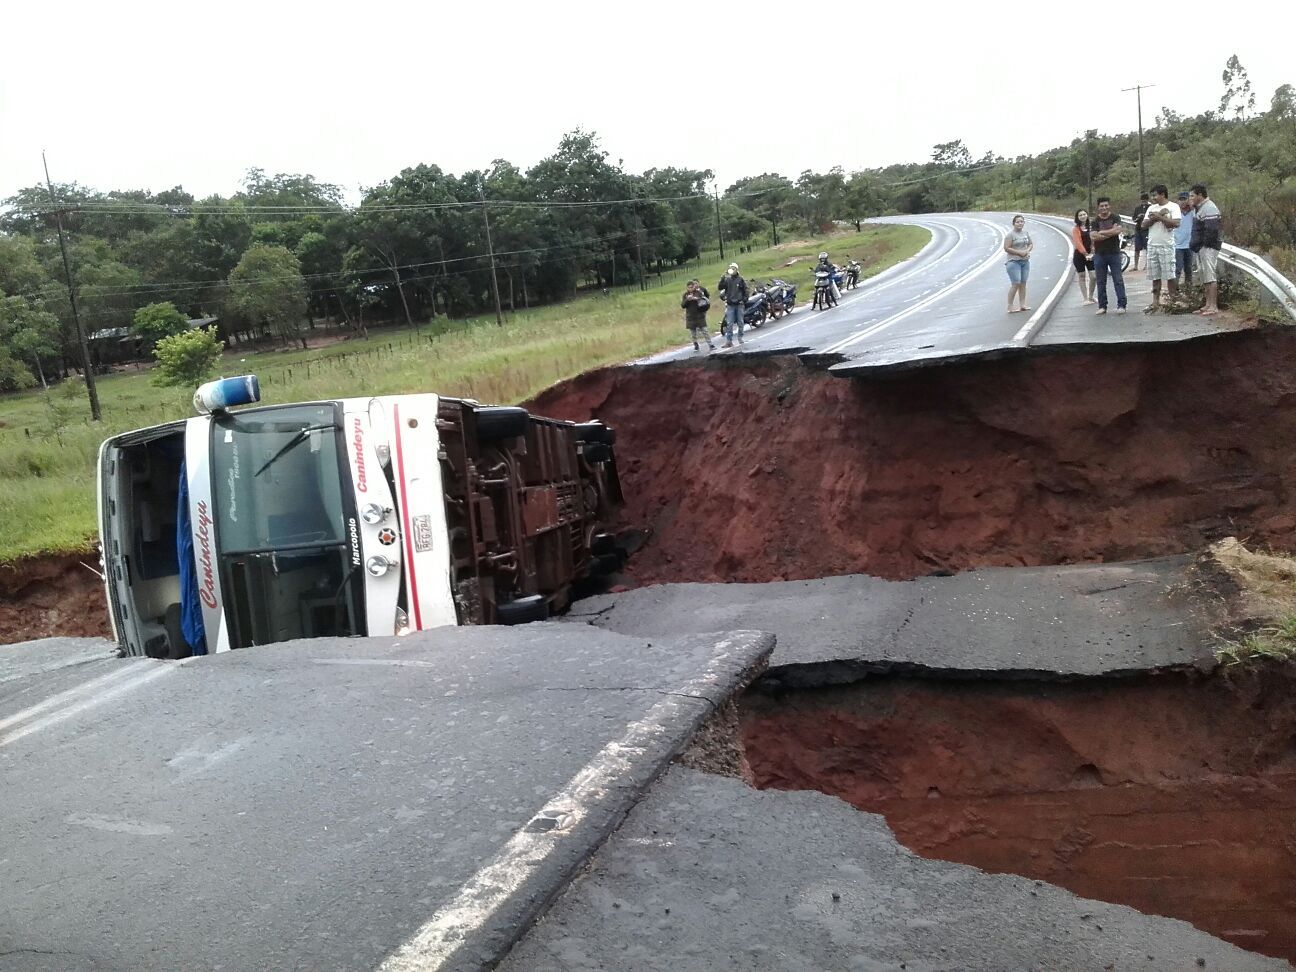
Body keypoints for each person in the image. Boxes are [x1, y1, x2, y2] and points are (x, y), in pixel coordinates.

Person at [1140, 184, 1180, 310]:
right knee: (1154, 275)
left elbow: (1176, 223)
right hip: (1152, 244)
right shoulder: (1151, 208)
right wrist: (1154, 218)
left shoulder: (1173, 207)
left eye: (1155, 195)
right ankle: (1155, 302)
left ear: (1162, 194)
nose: (1153, 198)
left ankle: (1173, 301)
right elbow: (1143, 224)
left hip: (1166, 245)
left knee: (1170, 275)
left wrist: (1159, 217)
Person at [1189, 184, 1223, 316]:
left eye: (1192, 195)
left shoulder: (1209, 208)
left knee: (1210, 275)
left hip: (1208, 247)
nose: (1190, 198)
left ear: (1200, 195)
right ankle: (1208, 304)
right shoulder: (1199, 208)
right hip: (1200, 247)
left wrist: (1204, 245)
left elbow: (1212, 230)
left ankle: (1213, 306)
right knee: (1204, 276)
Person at [1090, 197, 1127, 315]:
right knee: (1101, 281)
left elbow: (1118, 231)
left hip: (1114, 253)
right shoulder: (1095, 221)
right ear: (1098, 207)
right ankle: (1102, 306)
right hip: (1100, 254)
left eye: (1106, 205)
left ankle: (1121, 305)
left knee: (1118, 280)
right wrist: (1111, 232)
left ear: (1109, 206)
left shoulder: (1115, 217)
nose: (1104, 208)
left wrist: (1102, 232)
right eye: (1102, 206)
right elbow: (1093, 236)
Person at [1002, 214, 1033, 313]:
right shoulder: (1010, 235)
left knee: (1023, 283)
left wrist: (1027, 251)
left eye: (1021, 221)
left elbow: (1030, 244)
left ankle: (1022, 304)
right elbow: (1006, 248)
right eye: (1018, 222)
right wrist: (1019, 253)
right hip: (1013, 262)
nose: (1020, 223)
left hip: (1025, 261)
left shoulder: (1025, 233)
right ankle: (1010, 306)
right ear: (1014, 224)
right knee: (1016, 283)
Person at [717, 262, 749, 347]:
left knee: (740, 322)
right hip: (730, 304)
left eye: (733, 268)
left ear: (736, 269)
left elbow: (746, 290)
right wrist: (722, 279)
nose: (732, 270)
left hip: (739, 304)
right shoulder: (727, 280)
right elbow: (720, 287)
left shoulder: (741, 279)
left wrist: (744, 300)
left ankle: (740, 337)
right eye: (731, 268)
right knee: (729, 323)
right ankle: (729, 341)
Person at [681, 279, 714, 352]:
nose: (690, 289)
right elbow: (683, 305)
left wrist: (696, 299)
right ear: (687, 288)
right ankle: (696, 345)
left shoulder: (699, 292)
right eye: (689, 287)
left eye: (692, 287)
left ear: (694, 287)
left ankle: (710, 344)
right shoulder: (685, 295)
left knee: (705, 331)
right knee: (693, 333)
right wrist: (687, 300)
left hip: (699, 315)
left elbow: (704, 301)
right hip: (690, 316)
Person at [1071, 209, 1096, 304]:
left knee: (1093, 276)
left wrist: (1092, 252)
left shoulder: (1091, 227)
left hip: (1091, 254)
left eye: (1084, 214)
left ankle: (1091, 296)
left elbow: (1094, 240)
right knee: (1082, 276)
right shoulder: (1075, 229)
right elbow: (1078, 242)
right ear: (1077, 217)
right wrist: (1085, 253)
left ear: (1087, 215)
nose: (1082, 216)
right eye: (1080, 215)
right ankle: (1085, 298)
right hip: (1079, 255)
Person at [1174, 191, 1195, 286]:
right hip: (1177, 245)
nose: (1182, 202)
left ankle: (1188, 290)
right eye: (1180, 199)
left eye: (1184, 199)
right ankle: (1174, 292)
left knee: (1188, 269)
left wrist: (1192, 206)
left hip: (1190, 245)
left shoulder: (1193, 212)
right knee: (1177, 269)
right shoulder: (1175, 213)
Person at [1131, 191, 1151, 271]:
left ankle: (1147, 265)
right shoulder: (1137, 208)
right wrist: (1138, 217)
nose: (1144, 202)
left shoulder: (1150, 207)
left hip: (1146, 229)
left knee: (1147, 248)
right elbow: (1134, 219)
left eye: (1145, 200)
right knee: (1137, 248)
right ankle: (1136, 266)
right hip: (1138, 229)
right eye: (1142, 201)